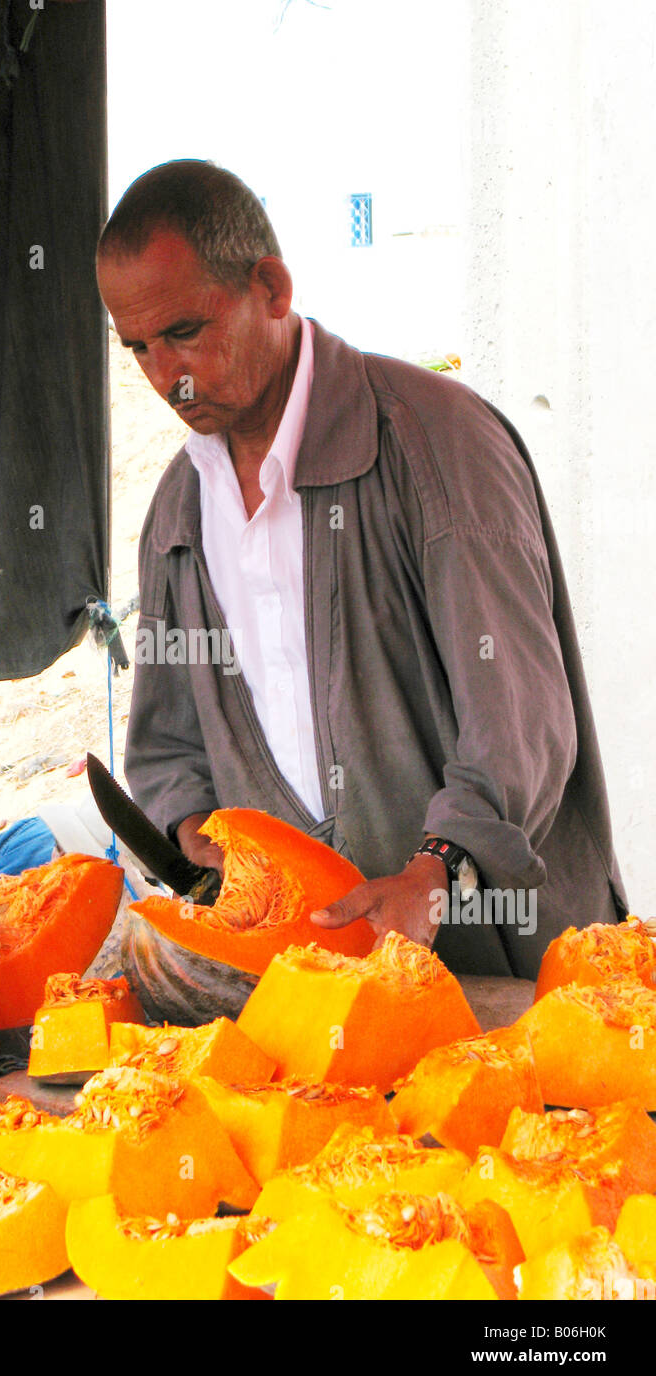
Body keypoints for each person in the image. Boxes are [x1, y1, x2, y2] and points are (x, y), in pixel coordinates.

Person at [96, 159, 627, 978]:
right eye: (137, 347)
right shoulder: (179, 508)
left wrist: (436, 872)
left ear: (271, 288)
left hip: (522, 972)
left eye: (184, 332)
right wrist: (196, 834)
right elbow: (167, 747)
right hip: (317, 984)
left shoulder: (436, 441)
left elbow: (519, 721)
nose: (167, 376)